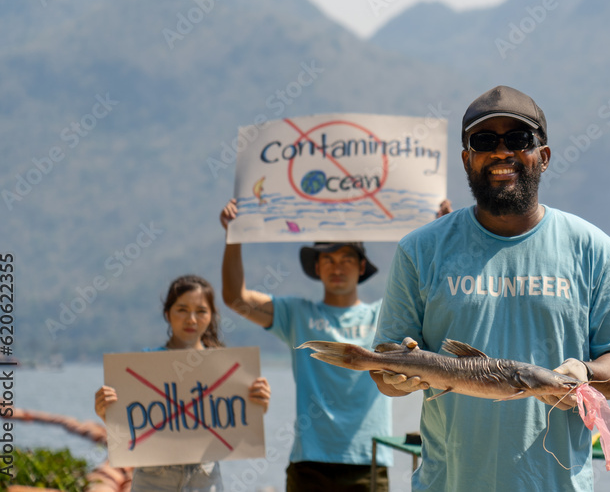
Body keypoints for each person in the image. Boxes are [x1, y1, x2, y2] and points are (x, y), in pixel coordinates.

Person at [372, 85, 610, 492]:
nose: (502, 153)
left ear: (544, 156)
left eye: (518, 140)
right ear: (467, 160)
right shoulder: (420, 250)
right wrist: (394, 376)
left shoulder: (595, 250)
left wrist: (585, 373)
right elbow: (385, 364)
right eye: (484, 142)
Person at [219, 200, 393, 492]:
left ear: (361, 266)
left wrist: (444, 231)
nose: (337, 267)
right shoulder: (298, 315)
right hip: (309, 463)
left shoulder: (383, 316)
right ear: (317, 267)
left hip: (368, 460)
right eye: (328, 259)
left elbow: (435, 299)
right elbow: (236, 298)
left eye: (346, 259)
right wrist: (233, 235)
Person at [95, 274, 271, 492]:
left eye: (201, 311)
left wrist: (258, 406)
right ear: (167, 313)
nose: (192, 319)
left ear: (211, 316)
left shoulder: (226, 369)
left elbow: (235, 423)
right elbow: (127, 425)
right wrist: (106, 412)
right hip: (153, 479)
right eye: (182, 309)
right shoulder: (144, 364)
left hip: (205, 479)